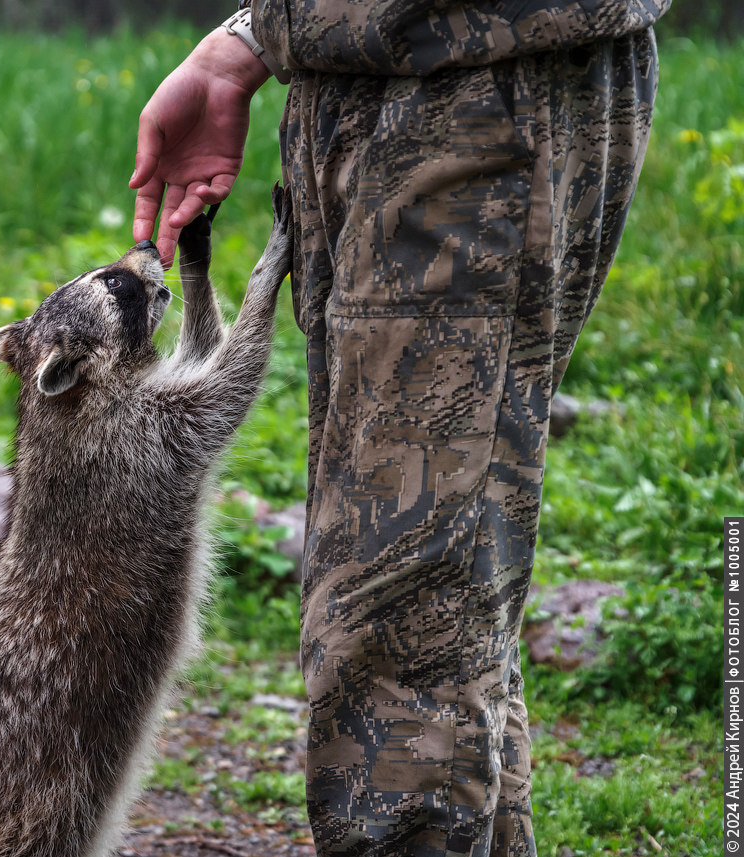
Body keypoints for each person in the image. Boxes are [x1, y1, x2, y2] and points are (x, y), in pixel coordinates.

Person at [130, 2, 667, 855]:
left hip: (475, 83)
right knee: (436, 612)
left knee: (397, 632)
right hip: (375, 87)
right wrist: (248, 40)